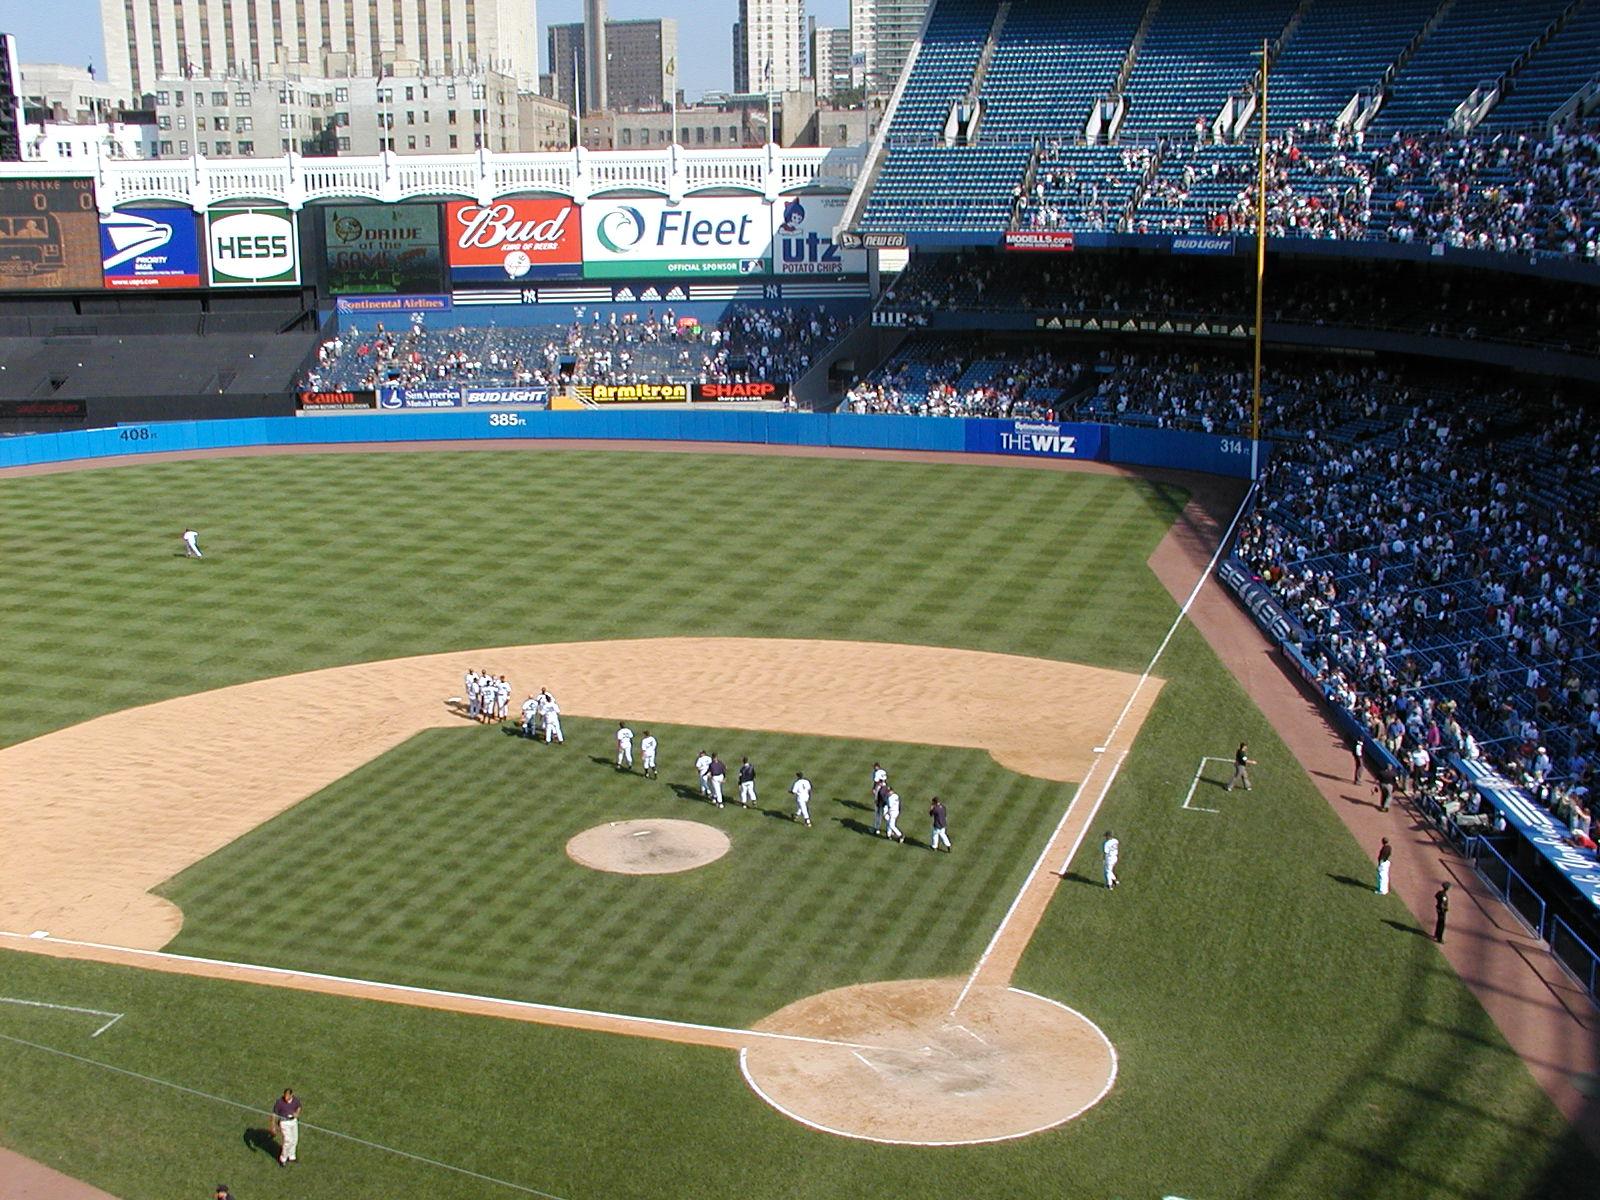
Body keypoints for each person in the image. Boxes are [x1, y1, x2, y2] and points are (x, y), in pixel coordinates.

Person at [272, 1087, 301, 1166]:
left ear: (292, 1095)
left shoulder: (295, 1100)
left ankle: (292, 1156)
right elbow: (274, 1114)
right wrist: (273, 1125)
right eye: (285, 1096)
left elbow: (298, 1107)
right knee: (288, 1140)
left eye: (288, 1096)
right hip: (284, 1122)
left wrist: (297, 1114)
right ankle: (283, 1158)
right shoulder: (279, 1102)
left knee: (294, 1139)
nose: (286, 1098)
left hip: (293, 1121)